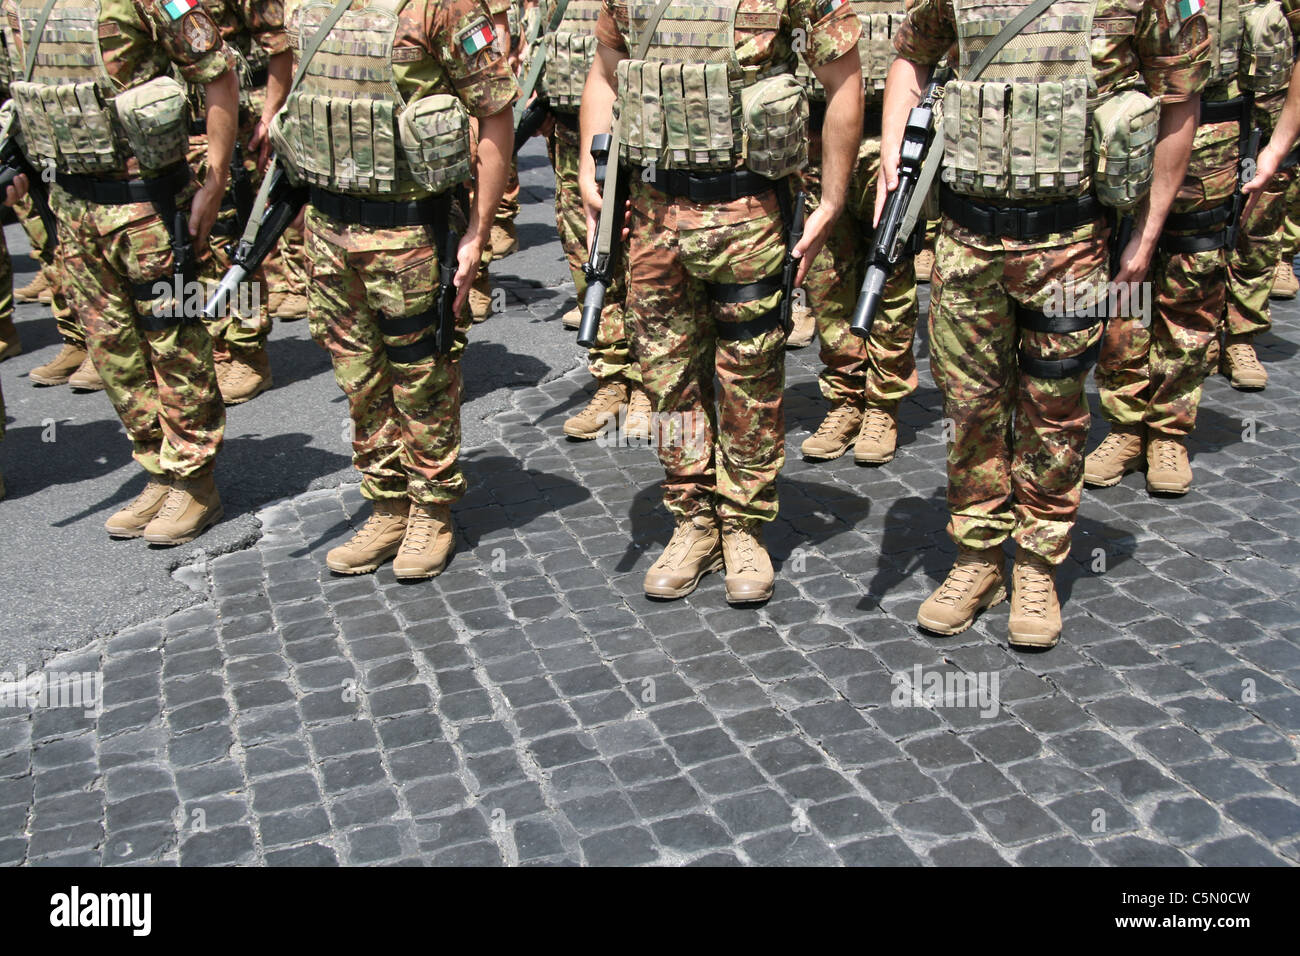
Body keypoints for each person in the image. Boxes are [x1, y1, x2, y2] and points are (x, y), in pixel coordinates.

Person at [887, 0, 1207, 647]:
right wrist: (896, 160)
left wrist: (1146, 236)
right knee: (971, 407)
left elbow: (1180, 97)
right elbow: (910, 58)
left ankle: (1037, 561)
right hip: (965, 241)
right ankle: (979, 559)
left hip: (1072, 242)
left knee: (1054, 407)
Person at [580, 0, 865, 604]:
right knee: (665, 377)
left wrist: (831, 201)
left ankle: (742, 524)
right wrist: (590, 172)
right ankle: (693, 520)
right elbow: (605, 74)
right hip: (654, 213)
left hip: (750, 212)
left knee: (750, 376)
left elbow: (843, 81)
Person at [277, 0, 514, 579]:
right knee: (357, 375)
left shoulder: (446, 7)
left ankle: (431, 509)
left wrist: (478, 231)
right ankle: (386, 502)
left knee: (421, 372)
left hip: (411, 226)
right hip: (329, 226)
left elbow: (496, 116)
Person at [3, 0, 238, 545]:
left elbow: (218, 77)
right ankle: (159, 467)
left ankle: (195, 481)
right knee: (112, 352)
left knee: (173, 344)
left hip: (147, 206)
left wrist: (215, 179)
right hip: (72, 205)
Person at [1088, 1, 1291, 495]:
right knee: (1122, 287)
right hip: (1118, 145)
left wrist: (1279, 145)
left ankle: (1169, 431)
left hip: (1211, 146)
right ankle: (1125, 426)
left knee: (1192, 288)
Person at [795, 0, 921, 466]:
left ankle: (883, 405)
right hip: (819, 135)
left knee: (889, 270)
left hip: (893, 138)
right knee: (825, 278)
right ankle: (844, 397)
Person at [523, 0, 651, 443]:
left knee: (643, 261)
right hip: (575, 131)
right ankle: (611, 378)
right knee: (588, 258)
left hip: (642, 134)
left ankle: (647, 384)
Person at [186, 0, 292, 405]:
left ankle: (247, 354)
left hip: (234, 125)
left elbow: (279, 45)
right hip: (173, 131)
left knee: (235, 240)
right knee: (190, 242)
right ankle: (212, 344)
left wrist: (271, 115)